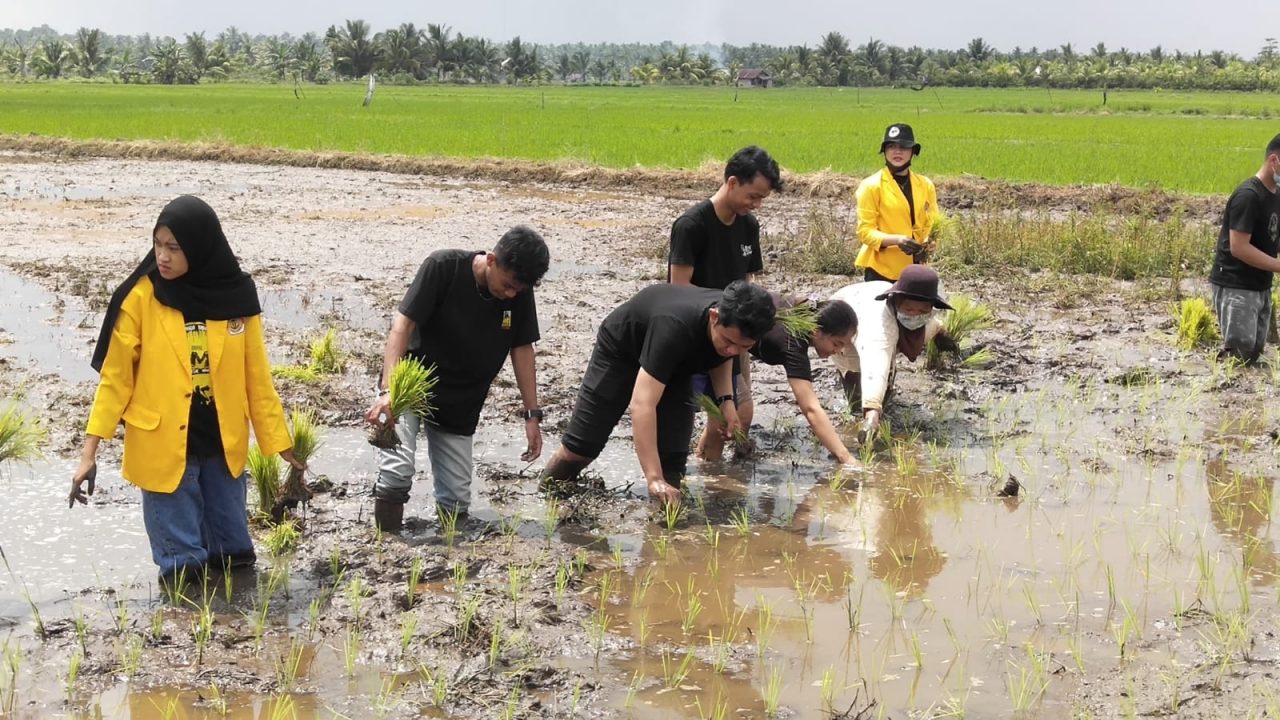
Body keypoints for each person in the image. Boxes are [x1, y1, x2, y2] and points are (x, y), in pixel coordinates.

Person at [68, 195, 303, 585]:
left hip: (220, 441)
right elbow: (115, 381)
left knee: (235, 559)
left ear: (199, 247)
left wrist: (281, 443)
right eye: (158, 245)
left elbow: (256, 379)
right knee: (184, 570)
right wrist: (89, 452)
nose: (163, 256)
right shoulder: (142, 298)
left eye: (174, 248)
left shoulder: (236, 299)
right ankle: (184, 639)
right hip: (162, 442)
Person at [364, 227, 549, 532]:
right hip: (410, 387)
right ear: (491, 260)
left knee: (456, 501)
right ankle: (386, 548)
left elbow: (522, 348)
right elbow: (402, 325)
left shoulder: (519, 292)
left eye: (520, 289)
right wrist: (389, 390)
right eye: (508, 285)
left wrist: (532, 414)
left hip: (462, 398)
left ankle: (450, 549)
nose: (512, 294)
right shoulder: (442, 268)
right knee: (397, 472)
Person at [542, 281, 776, 504]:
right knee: (581, 448)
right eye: (728, 341)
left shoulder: (731, 323)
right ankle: (545, 495)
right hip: (622, 353)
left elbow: (720, 356)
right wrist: (652, 478)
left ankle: (662, 532)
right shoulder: (676, 325)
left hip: (676, 366)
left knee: (672, 466)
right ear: (714, 317)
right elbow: (642, 405)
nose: (732, 350)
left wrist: (726, 402)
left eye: (743, 347)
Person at [668, 145, 783, 460]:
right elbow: (678, 290)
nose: (756, 205)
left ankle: (708, 466)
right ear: (732, 182)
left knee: (738, 415)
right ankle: (703, 469)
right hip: (700, 333)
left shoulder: (749, 226)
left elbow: (745, 283)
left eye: (761, 199)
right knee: (722, 411)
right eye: (753, 196)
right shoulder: (692, 225)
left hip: (736, 334)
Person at [700, 295, 860, 466]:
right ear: (816, 331)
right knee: (736, 412)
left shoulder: (801, 310)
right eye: (837, 343)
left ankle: (729, 464)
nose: (839, 351)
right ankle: (708, 470)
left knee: (739, 413)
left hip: (741, 346)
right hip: (720, 337)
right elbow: (811, 409)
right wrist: (846, 458)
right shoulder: (793, 344)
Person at [830, 266, 958, 443]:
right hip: (844, 320)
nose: (915, 315)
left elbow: (931, 324)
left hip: (874, 310)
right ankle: (862, 412)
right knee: (857, 389)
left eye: (922, 311)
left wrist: (942, 335)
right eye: (909, 309)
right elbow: (875, 368)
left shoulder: (924, 321)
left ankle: (881, 407)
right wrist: (872, 412)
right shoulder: (878, 328)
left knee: (887, 385)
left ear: (930, 309)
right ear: (897, 302)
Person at [1208, 133, 1280, 365]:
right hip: (1236, 285)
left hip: (1261, 284)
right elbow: (1239, 247)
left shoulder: (1276, 196)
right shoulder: (1249, 196)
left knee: (1255, 352)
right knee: (1238, 355)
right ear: (1274, 160)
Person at [854, 123, 939, 282]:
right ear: (884, 151)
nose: (897, 151)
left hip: (918, 270)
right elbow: (865, 232)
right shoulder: (871, 186)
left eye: (904, 147)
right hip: (882, 271)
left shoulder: (925, 185)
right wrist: (897, 240)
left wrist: (929, 244)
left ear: (913, 152)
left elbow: (933, 223)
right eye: (892, 146)